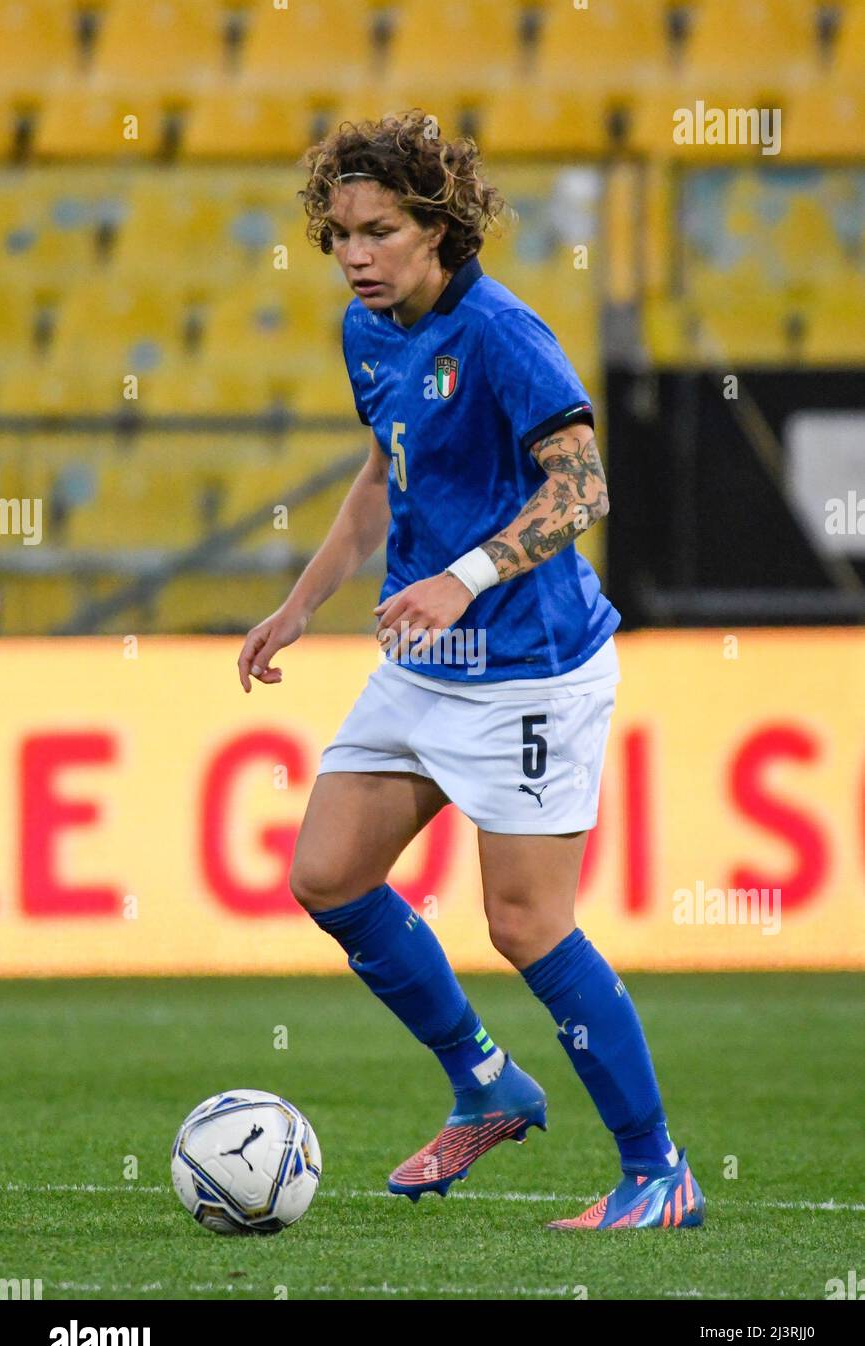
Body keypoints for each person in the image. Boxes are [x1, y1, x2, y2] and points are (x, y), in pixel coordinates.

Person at [237, 112, 704, 1230]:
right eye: (340, 232)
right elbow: (377, 472)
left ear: (439, 227)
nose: (356, 255)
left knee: (525, 926)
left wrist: (465, 572)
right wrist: (302, 601)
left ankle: (657, 1172)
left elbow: (583, 487)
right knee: (326, 875)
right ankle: (486, 1080)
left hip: (531, 667)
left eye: (380, 231)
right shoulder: (367, 331)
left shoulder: (501, 333)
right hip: (423, 661)